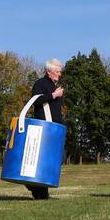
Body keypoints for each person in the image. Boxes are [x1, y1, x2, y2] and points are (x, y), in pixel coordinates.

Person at [25, 59, 65, 199]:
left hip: (55, 127)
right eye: (57, 72)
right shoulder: (40, 83)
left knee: (53, 159)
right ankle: (37, 189)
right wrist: (54, 95)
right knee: (42, 160)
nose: (60, 74)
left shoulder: (54, 85)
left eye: (60, 72)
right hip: (44, 127)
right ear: (49, 72)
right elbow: (35, 101)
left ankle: (41, 191)